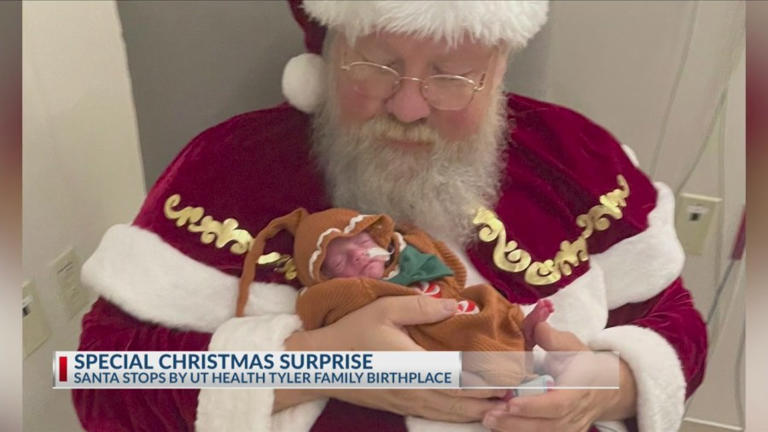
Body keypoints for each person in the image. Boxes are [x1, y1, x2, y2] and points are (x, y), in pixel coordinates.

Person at [72, 1, 708, 431]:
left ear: (498, 68)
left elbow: (676, 325)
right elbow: (100, 378)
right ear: (330, 47)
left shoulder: (576, 159)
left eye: (452, 74)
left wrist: (606, 384)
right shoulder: (227, 166)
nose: (406, 107)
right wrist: (322, 363)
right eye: (375, 64)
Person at [236, 207, 555, 389]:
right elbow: (313, 306)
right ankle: (517, 386)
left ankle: (523, 332)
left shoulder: (406, 253)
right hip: (432, 336)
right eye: (339, 262)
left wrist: (409, 238)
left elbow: (452, 273)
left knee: (489, 299)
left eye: (359, 242)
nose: (358, 256)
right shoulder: (356, 293)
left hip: (462, 306)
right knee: (470, 350)